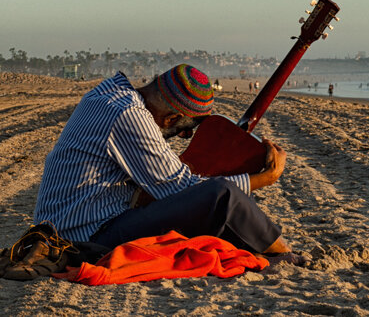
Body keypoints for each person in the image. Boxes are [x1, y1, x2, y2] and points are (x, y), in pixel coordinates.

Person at [33, 64, 290, 256]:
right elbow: (182, 188)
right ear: (171, 119)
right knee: (222, 193)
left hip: (65, 226)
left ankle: (264, 245)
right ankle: (283, 254)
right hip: (85, 237)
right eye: (185, 130)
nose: (184, 136)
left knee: (213, 204)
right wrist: (265, 178)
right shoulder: (129, 115)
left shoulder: (110, 93)